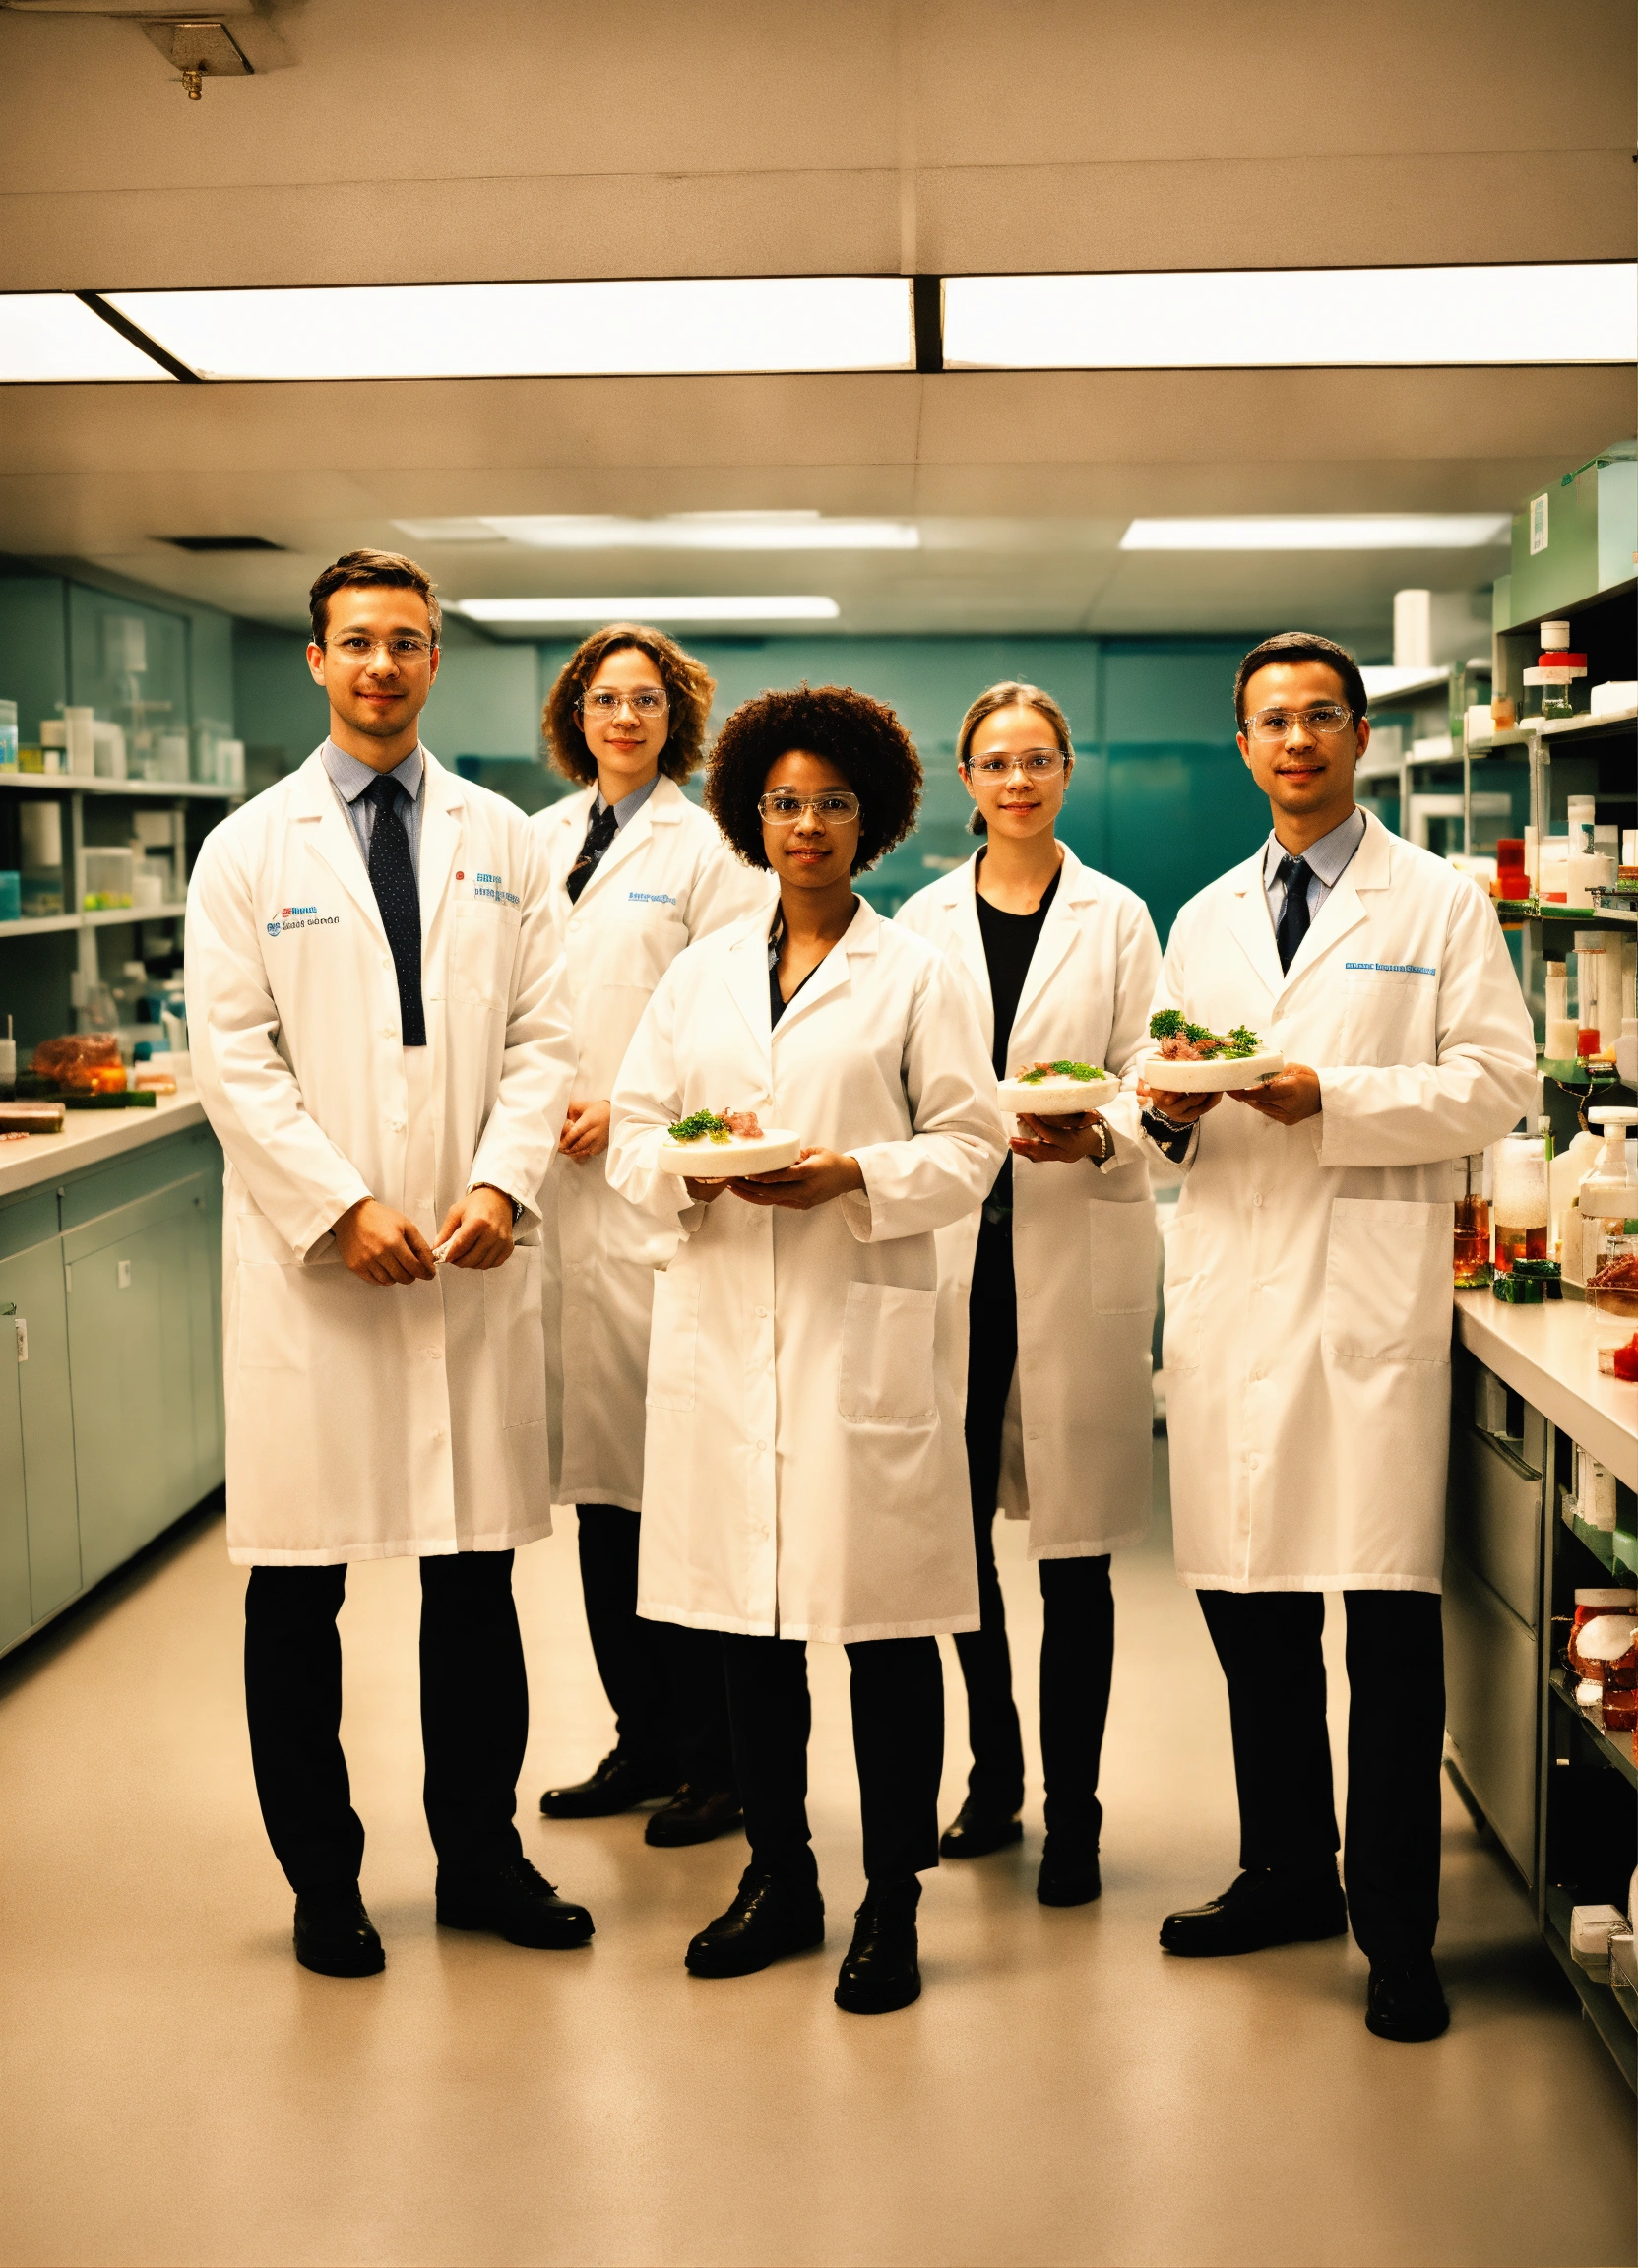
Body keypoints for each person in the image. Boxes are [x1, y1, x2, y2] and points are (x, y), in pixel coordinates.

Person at [186, 548, 592, 1979]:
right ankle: (324, 1882)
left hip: (472, 1254)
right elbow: (230, 1062)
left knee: (473, 1581)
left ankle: (478, 1857)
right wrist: (341, 1206)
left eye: (406, 642)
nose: (380, 665)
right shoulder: (250, 851)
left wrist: (502, 1179)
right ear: (317, 659)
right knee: (299, 1589)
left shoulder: (505, 839)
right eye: (355, 642)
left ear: (435, 661)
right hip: (318, 1277)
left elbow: (549, 1035)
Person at [1139, 630, 1536, 2042]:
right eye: (1269, 723)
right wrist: (1170, 1111)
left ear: (1360, 734)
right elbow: (1168, 1075)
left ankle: (1401, 1936)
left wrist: (1342, 1102)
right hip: (1238, 1296)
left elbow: (1499, 1082)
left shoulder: (1438, 902)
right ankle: (1286, 1875)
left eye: (1320, 717)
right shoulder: (1203, 915)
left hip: (1365, 1304)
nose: (1295, 742)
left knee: (1385, 1638)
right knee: (1251, 1622)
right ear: (1240, 747)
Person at [606, 685, 1005, 2014]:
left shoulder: (920, 973)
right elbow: (633, 1133)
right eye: (784, 802)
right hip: (727, 1337)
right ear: (750, 816)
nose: (808, 824)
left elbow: (969, 1145)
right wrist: (688, 1173)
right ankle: (781, 1878)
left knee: (884, 1636)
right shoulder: (697, 973)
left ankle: (889, 1902)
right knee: (750, 1635)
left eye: (834, 802)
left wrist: (852, 1176)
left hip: (857, 1338)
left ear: (872, 816)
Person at [897, 681, 1161, 1907]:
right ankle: (991, 1771)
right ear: (965, 780)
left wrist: (1095, 1134)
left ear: (1065, 774)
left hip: (1067, 1242)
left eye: (1038, 760)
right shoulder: (920, 922)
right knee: (952, 1536)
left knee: (1075, 1555)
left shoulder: (1115, 918)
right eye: (995, 761)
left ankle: (1075, 1812)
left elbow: (1147, 1086)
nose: (1017, 780)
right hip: (955, 1262)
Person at [532, 626, 772, 1848]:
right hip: (555, 1212)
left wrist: (628, 1105)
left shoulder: (712, 849)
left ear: (674, 718)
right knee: (595, 1492)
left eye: (645, 699)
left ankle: (720, 1761)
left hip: (652, 1205)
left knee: (677, 1489)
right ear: (573, 713)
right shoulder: (534, 841)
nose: (621, 716)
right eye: (601, 696)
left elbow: (730, 1025)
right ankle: (641, 1739)